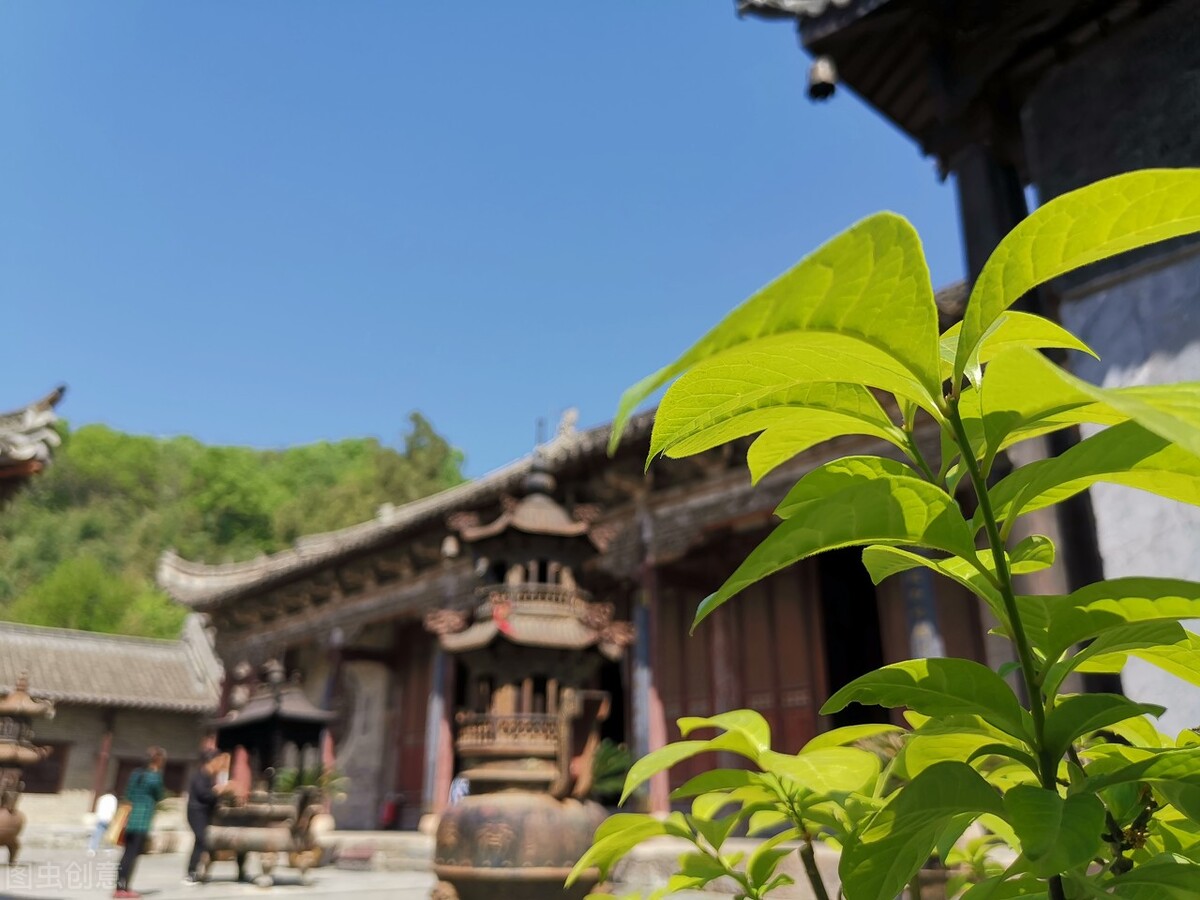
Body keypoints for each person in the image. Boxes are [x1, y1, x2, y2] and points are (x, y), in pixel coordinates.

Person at [114, 747, 165, 899]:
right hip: (142, 821)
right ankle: (124, 888)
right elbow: (159, 795)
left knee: (126, 853)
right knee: (133, 855)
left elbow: (128, 794)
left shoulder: (135, 774)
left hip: (130, 820)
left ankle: (119, 885)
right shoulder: (154, 777)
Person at [183, 749, 233, 885]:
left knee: (205, 842)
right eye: (218, 761)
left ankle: (202, 870)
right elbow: (203, 795)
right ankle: (191, 872)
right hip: (196, 812)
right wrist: (218, 790)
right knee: (201, 840)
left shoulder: (211, 777)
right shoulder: (199, 775)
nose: (220, 764)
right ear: (210, 762)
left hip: (206, 813)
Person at [89, 791, 118, 856]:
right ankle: (108, 848)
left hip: (100, 817)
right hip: (108, 818)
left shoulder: (102, 798)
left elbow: (98, 808)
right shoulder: (113, 798)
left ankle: (92, 849)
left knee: (97, 834)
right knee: (109, 835)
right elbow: (113, 809)